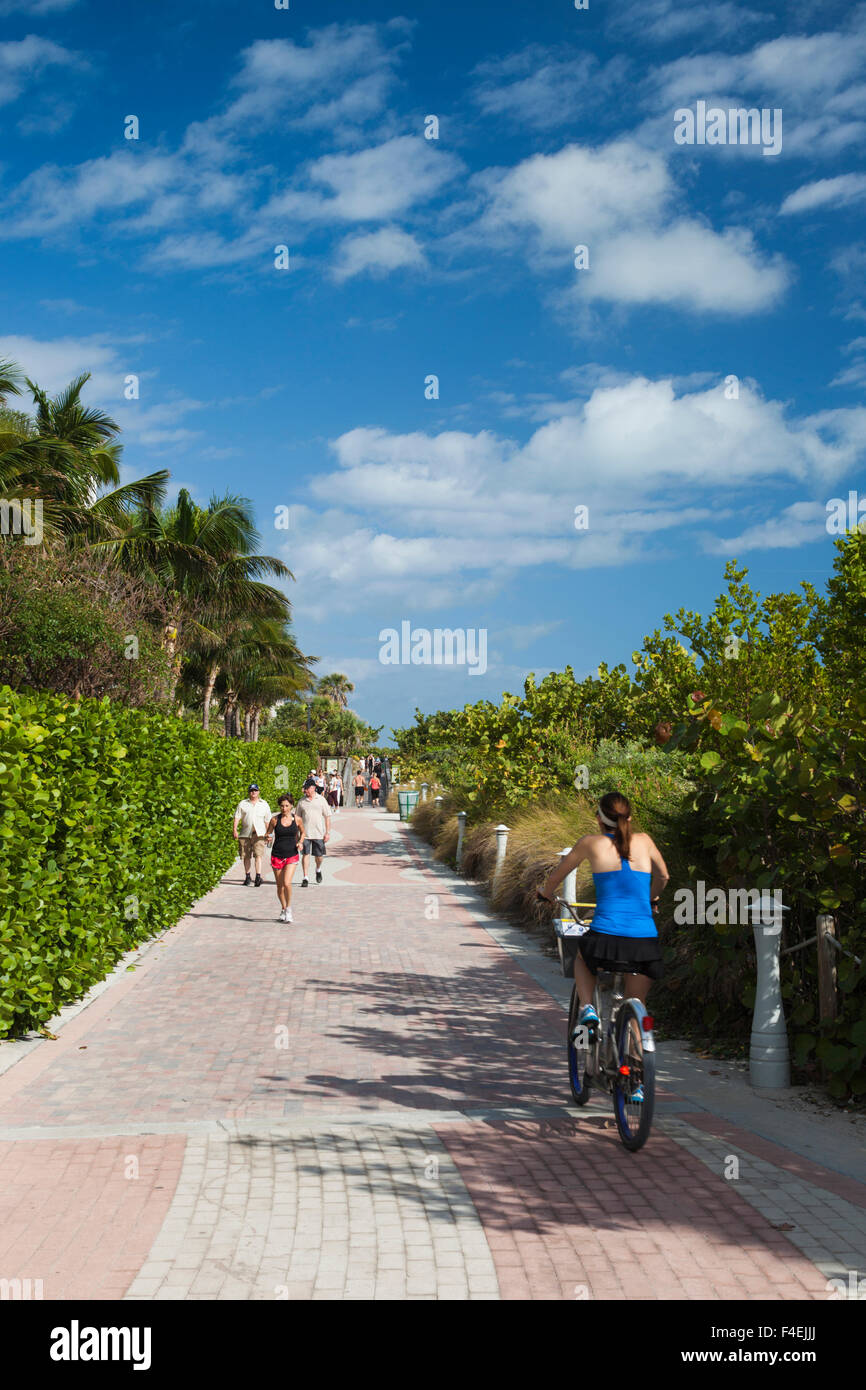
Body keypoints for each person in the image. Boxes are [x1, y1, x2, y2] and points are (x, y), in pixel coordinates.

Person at [537, 791, 669, 1101]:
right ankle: (636, 1082)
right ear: (630, 818)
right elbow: (663, 875)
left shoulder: (590, 844)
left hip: (605, 939)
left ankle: (588, 1009)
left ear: (599, 818)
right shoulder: (646, 841)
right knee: (639, 1007)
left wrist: (544, 893)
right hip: (643, 944)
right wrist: (651, 898)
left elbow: (556, 878)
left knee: (582, 959)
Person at [265, 794, 305, 922]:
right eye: (282, 806)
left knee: (287, 883)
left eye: (287, 806)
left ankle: (288, 909)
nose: (284, 808)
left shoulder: (297, 819)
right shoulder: (274, 820)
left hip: (292, 854)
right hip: (277, 854)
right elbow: (268, 833)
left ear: (291, 806)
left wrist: (300, 842)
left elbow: (303, 832)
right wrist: (268, 837)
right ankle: (283, 908)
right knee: (279, 886)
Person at [233, 784, 273, 886]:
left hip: (259, 834)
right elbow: (237, 817)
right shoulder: (242, 804)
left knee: (258, 855)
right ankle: (247, 876)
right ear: (249, 792)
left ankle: (258, 877)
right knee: (246, 856)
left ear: (258, 792)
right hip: (245, 833)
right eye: (251, 790)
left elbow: (267, 820)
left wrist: (268, 834)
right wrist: (235, 829)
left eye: (255, 790)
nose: (253, 792)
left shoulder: (264, 804)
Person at [296, 777, 331, 886]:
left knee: (319, 856)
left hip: (318, 833)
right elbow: (297, 817)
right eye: (304, 788)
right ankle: (305, 877)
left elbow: (327, 816)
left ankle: (318, 869)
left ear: (313, 788)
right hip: (305, 834)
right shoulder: (301, 802)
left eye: (307, 788)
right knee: (305, 854)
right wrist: (297, 834)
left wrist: (327, 832)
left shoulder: (321, 800)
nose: (305, 790)